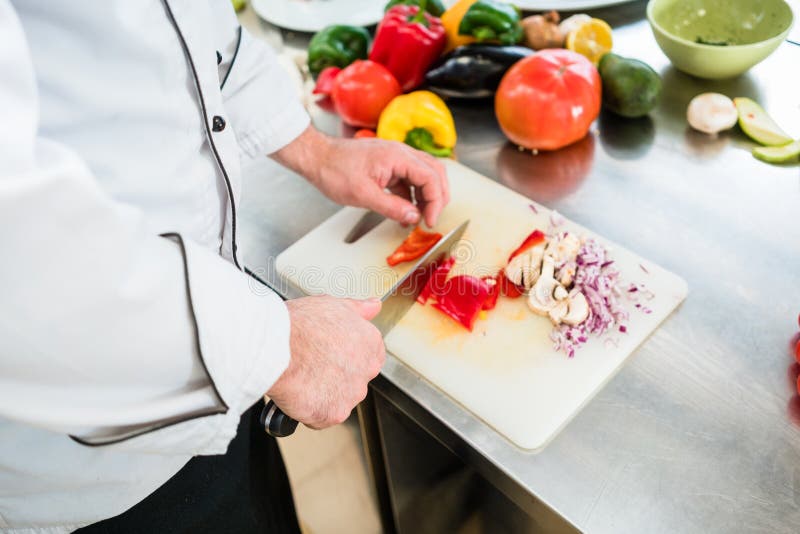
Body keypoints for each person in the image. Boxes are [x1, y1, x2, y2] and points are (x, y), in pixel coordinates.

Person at [0, 1, 448, 532]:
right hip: (93, 463)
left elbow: (201, 36)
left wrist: (318, 153)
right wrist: (281, 347)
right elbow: (21, 248)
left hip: (224, 370)